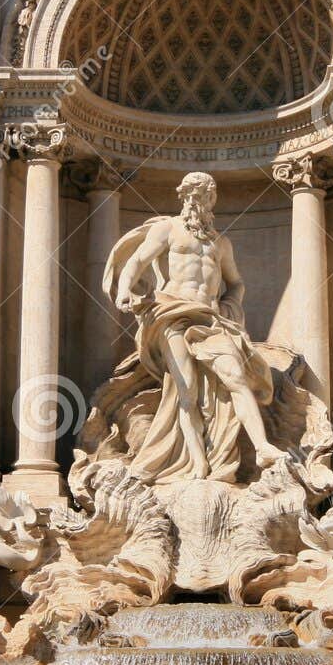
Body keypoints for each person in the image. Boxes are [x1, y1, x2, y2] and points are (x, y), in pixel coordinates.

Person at [104, 172, 288, 483]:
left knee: (236, 376)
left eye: (205, 195)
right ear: (183, 197)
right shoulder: (167, 229)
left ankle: (262, 448)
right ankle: (198, 464)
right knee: (186, 390)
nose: (198, 200)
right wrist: (124, 289)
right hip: (172, 313)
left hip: (210, 318)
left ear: (212, 201)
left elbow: (236, 282)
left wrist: (230, 307)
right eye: (193, 194)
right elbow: (137, 261)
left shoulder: (221, 243)